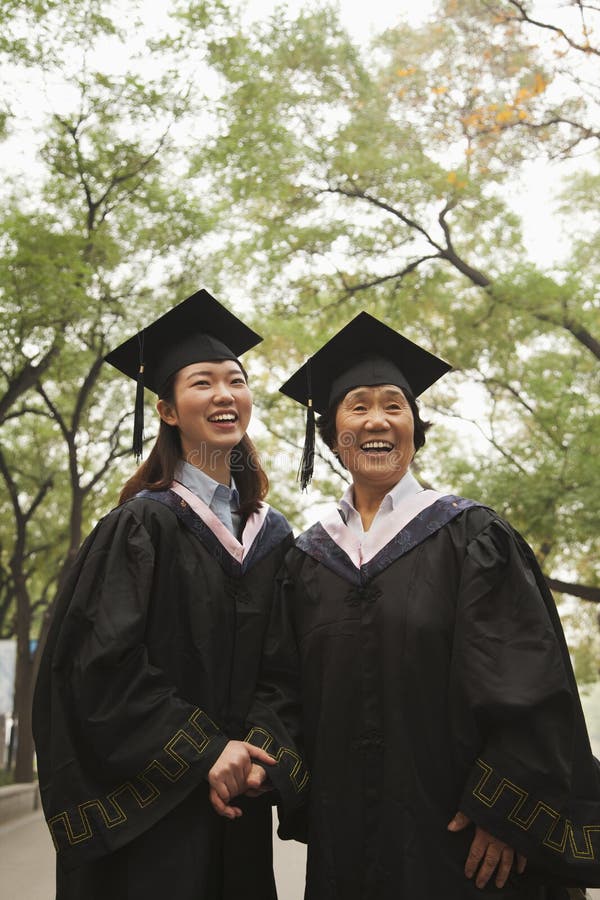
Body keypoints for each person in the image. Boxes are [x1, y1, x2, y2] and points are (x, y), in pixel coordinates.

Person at [248, 311, 600, 899]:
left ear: (415, 426)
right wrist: (267, 761)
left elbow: (531, 684)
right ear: (334, 435)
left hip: (465, 846)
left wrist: (504, 809)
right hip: (349, 845)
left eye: (394, 405)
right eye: (357, 406)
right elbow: (282, 687)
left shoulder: (472, 538)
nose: (378, 419)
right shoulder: (305, 562)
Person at [32, 288, 308, 900]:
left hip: (240, 809)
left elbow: (287, 668)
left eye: (234, 380)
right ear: (166, 410)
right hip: (152, 815)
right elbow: (100, 668)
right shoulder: (142, 525)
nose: (223, 395)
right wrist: (205, 753)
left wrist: (258, 753)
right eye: (201, 383)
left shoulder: (275, 536)